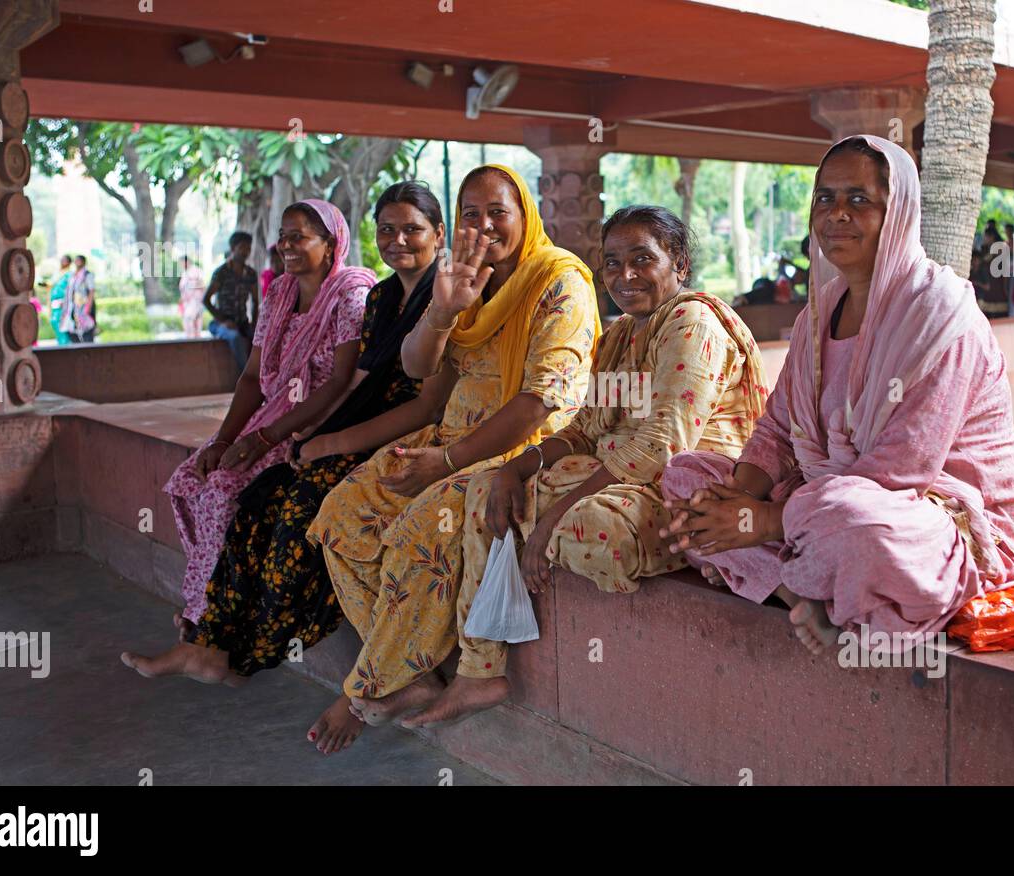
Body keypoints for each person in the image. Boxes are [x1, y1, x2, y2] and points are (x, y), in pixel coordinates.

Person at [660, 135, 1014, 656]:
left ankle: (800, 579)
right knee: (685, 477)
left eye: (858, 200)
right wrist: (738, 500)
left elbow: (900, 473)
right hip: (820, 503)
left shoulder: (941, 317)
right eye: (824, 198)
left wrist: (762, 521)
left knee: (854, 521)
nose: (837, 214)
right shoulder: (818, 314)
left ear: (898, 212)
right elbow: (776, 429)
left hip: (935, 522)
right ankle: (807, 593)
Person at [404, 205, 769, 727]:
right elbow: (586, 431)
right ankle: (478, 672)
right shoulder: (621, 335)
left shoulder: (693, 323)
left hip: (686, 489)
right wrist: (517, 467)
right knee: (486, 489)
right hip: (617, 478)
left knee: (589, 529)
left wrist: (550, 517)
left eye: (643, 259)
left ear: (680, 263)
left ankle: (549, 537)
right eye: (613, 263)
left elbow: (662, 447)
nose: (625, 276)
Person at [121, 186, 443, 755]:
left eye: (412, 229)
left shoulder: (431, 296)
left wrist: (319, 440)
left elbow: (408, 400)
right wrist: (292, 440)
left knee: (302, 518)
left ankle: (249, 656)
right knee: (257, 497)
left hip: (408, 437)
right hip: (351, 427)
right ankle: (211, 642)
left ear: (438, 235)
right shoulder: (387, 297)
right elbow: (358, 384)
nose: (397, 241)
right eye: (387, 230)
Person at [307, 164, 600, 730]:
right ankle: (408, 674)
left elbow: (539, 405)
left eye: (499, 213)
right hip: (449, 440)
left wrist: (443, 464)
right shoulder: (466, 278)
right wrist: (442, 310)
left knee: (422, 527)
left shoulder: (560, 281)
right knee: (342, 517)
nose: (484, 225)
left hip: (521, 451)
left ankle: (365, 690)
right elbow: (423, 373)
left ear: (526, 217)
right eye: (471, 213)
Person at [122, 200, 373, 677]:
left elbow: (341, 382)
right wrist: (222, 441)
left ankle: (206, 633)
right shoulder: (279, 293)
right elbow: (254, 377)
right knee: (192, 479)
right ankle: (205, 613)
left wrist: (263, 440)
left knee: (224, 493)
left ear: (332, 243)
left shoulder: (350, 296)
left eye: (301, 236)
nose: (287, 245)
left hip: (316, 424)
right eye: (284, 235)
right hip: (271, 417)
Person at [205, 231, 260, 371]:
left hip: (242, 322)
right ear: (232, 248)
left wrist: (254, 324)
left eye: (248, 247)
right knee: (235, 338)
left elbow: (255, 301)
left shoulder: (251, 274)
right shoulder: (221, 272)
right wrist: (223, 320)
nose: (246, 251)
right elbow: (205, 300)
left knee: (260, 338)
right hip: (221, 324)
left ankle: (263, 376)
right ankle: (246, 376)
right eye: (242, 247)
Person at [61, 255, 96, 343]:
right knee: (72, 332)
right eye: (76, 260)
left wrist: (88, 307)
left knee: (87, 332)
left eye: (79, 260)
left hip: (84, 307)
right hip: (73, 308)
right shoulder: (72, 276)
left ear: (83, 262)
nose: (77, 262)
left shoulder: (87, 275)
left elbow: (91, 291)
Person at [178, 254, 207, 339]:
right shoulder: (185, 272)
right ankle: (191, 340)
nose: (181, 265)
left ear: (187, 262)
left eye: (182, 262)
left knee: (189, 319)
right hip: (188, 302)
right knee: (191, 322)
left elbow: (203, 285)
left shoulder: (196, 271)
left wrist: (192, 285)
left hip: (196, 300)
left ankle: (194, 340)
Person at [48, 255, 73, 345]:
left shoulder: (69, 274)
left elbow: (70, 289)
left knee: (61, 322)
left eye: (64, 260)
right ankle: (61, 342)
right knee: (54, 321)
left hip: (62, 301)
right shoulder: (58, 273)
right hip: (54, 301)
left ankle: (65, 343)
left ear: (69, 262)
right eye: (61, 260)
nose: (62, 262)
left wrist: (66, 301)